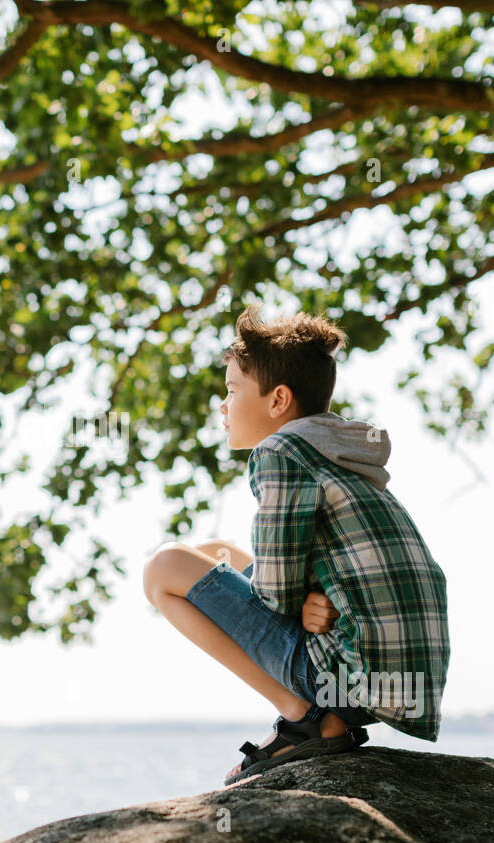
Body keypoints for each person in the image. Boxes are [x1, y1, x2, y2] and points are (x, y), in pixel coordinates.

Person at [143, 305, 450, 785]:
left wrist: (302, 600)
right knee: (218, 552)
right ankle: (317, 713)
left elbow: (276, 593)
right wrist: (313, 599)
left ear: (278, 399)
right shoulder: (337, 453)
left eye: (231, 390)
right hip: (400, 681)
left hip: (347, 681)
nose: (222, 405)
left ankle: (303, 717)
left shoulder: (279, 454)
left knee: (165, 569)